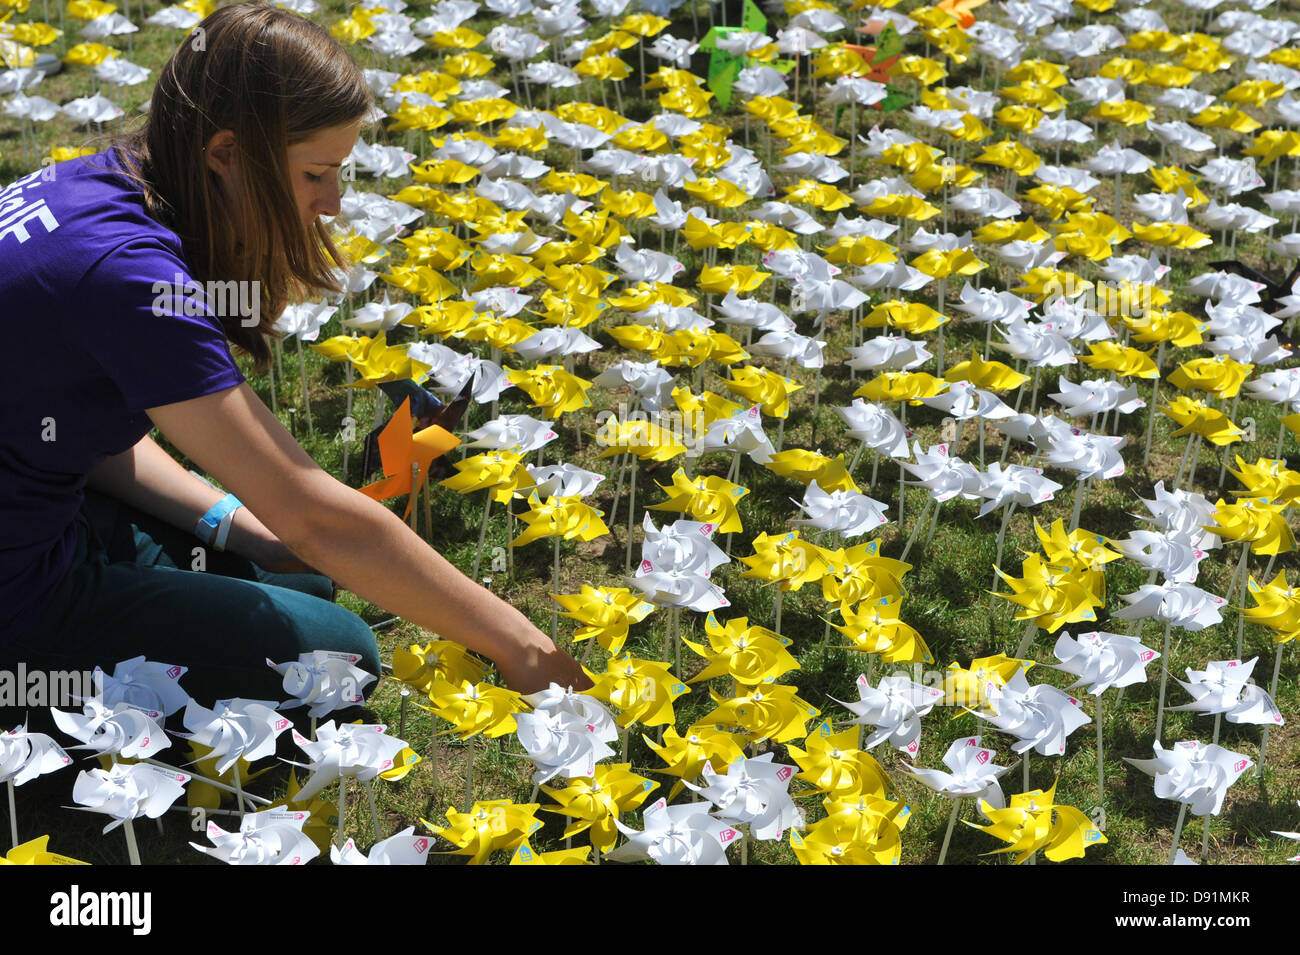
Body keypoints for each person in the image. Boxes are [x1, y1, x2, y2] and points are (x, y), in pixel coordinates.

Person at [0, 2, 590, 709]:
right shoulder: (129, 278)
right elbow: (318, 518)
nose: (334, 203)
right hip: (20, 588)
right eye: (315, 175)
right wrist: (523, 647)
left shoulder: (100, 182)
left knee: (300, 574)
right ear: (224, 154)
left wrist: (236, 523)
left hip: (46, 503)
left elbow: (83, 432)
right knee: (340, 655)